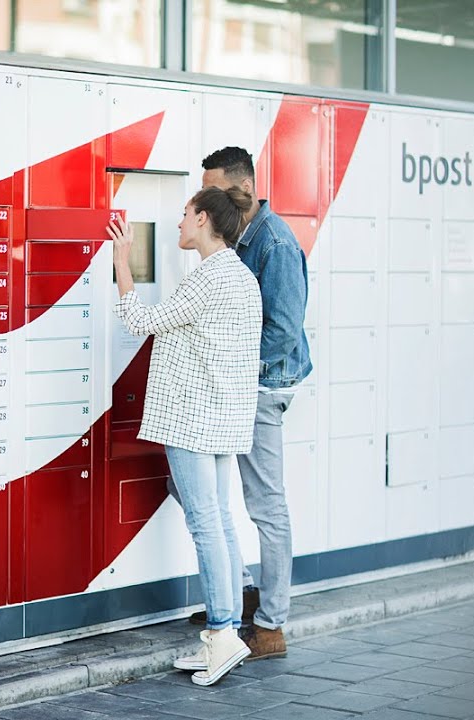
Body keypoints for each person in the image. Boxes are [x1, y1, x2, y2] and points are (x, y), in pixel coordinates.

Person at [107, 186, 262, 687]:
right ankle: (227, 633)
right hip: (223, 419)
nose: (178, 224)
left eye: (184, 215)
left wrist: (122, 263)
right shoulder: (240, 277)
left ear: (204, 222)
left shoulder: (208, 279)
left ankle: (220, 632)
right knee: (219, 521)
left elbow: (139, 321)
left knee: (205, 525)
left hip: (193, 421)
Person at [176, 146, 312, 661]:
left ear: (246, 190)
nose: (209, 201)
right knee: (192, 487)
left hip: (260, 390)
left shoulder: (273, 243)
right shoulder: (239, 239)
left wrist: (231, 365)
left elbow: (282, 331)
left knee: (265, 504)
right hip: (233, 387)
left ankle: (271, 624)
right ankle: (238, 590)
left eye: (218, 191)